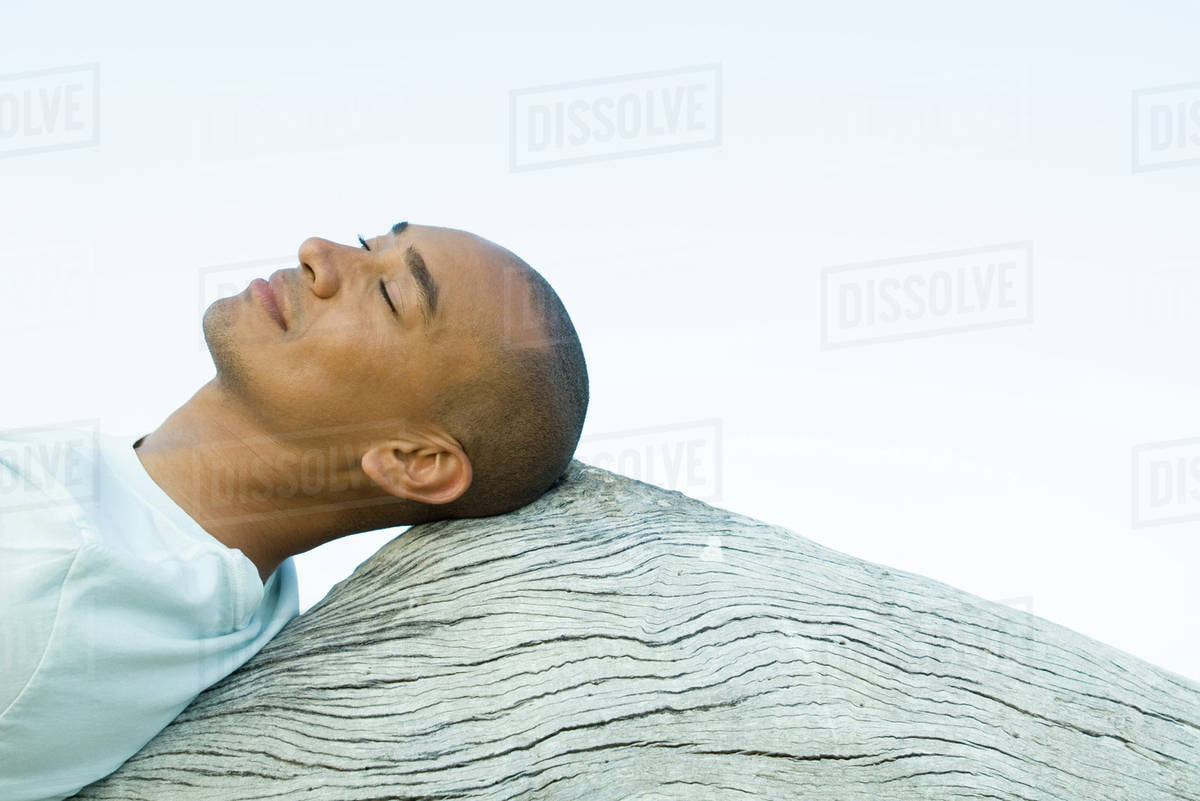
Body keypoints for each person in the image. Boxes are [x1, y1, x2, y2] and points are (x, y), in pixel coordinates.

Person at [0, 222, 589, 801]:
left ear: (415, 461)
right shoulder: (239, 601)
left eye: (389, 294)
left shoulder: (45, 571)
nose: (317, 252)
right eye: (367, 245)